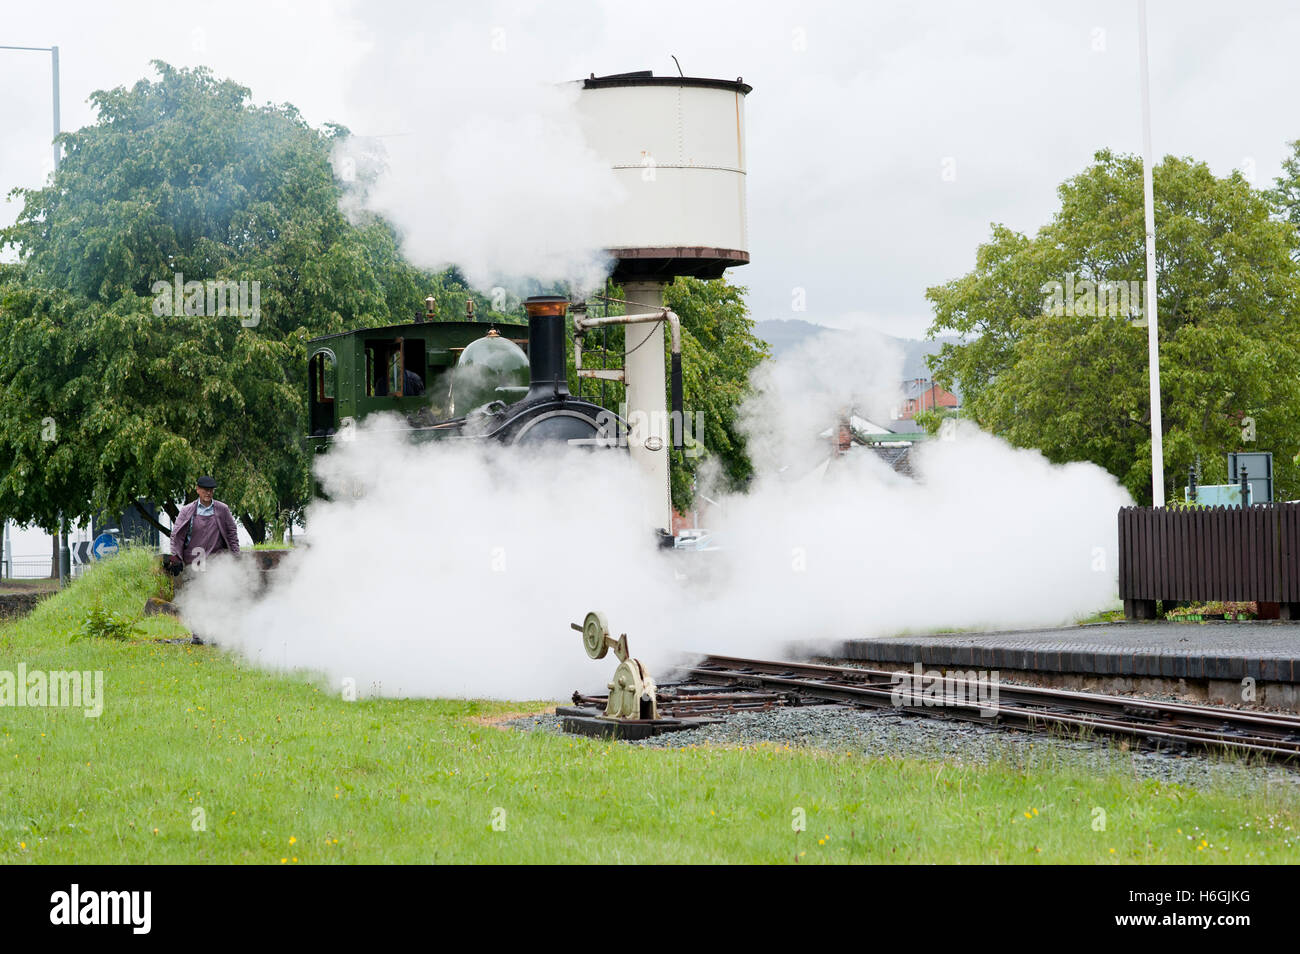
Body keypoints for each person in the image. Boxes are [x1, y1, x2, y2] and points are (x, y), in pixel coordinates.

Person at [170, 476, 241, 567]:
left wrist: (236, 558)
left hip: (216, 563)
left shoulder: (223, 509)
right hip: (192, 563)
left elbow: (232, 534)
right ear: (198, 489)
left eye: (211, 490)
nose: (208, 493)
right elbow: (176, 535)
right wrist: (175, 557)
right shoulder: (186, 510)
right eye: (205, 490)